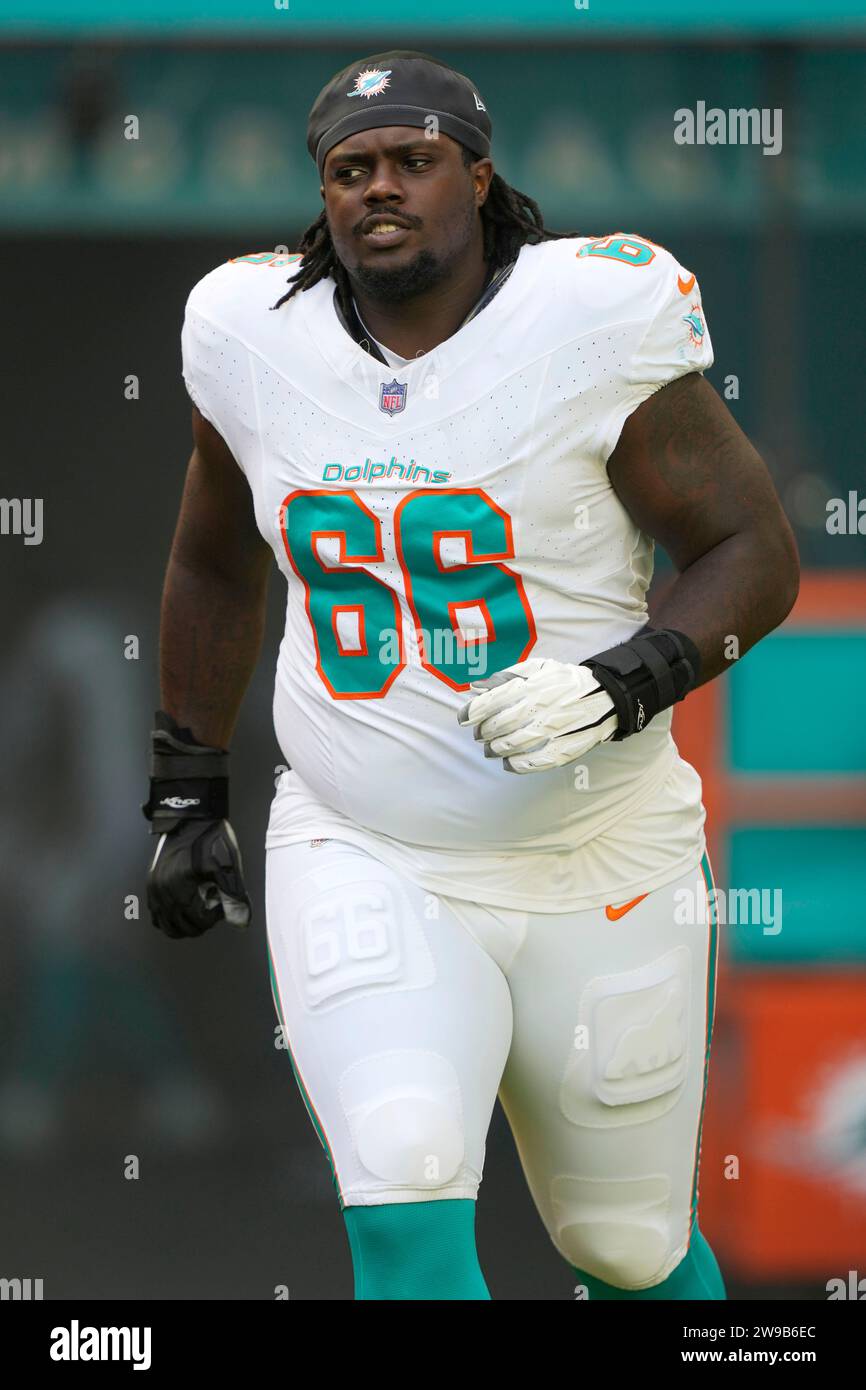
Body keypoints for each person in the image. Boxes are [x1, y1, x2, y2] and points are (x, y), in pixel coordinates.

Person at [143, 50, 799, 1300]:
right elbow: (214, 564)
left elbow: (750, 549)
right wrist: (185, 784)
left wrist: (625, 680)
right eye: (350, 169)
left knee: (626, 1247)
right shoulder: (246, 331)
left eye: (411, 160)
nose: (378, 189)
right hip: (368, 840)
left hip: (598, 851)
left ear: (478, 178)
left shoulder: (592, 318)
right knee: (403, 1164)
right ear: (322, 194)